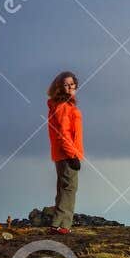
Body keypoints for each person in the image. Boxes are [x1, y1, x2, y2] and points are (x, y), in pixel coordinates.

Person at [47, 71, 83, 233]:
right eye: (66, 84)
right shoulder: (63, 106)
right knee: (69, 188)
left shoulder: (65, 105)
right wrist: (72, 155)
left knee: (64, 187)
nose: (70, 87)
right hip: (67, 153)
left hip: (62, 153)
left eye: (72, 84)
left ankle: (57, 224)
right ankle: (63, 225)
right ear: (59, 87)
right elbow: (64, 133)